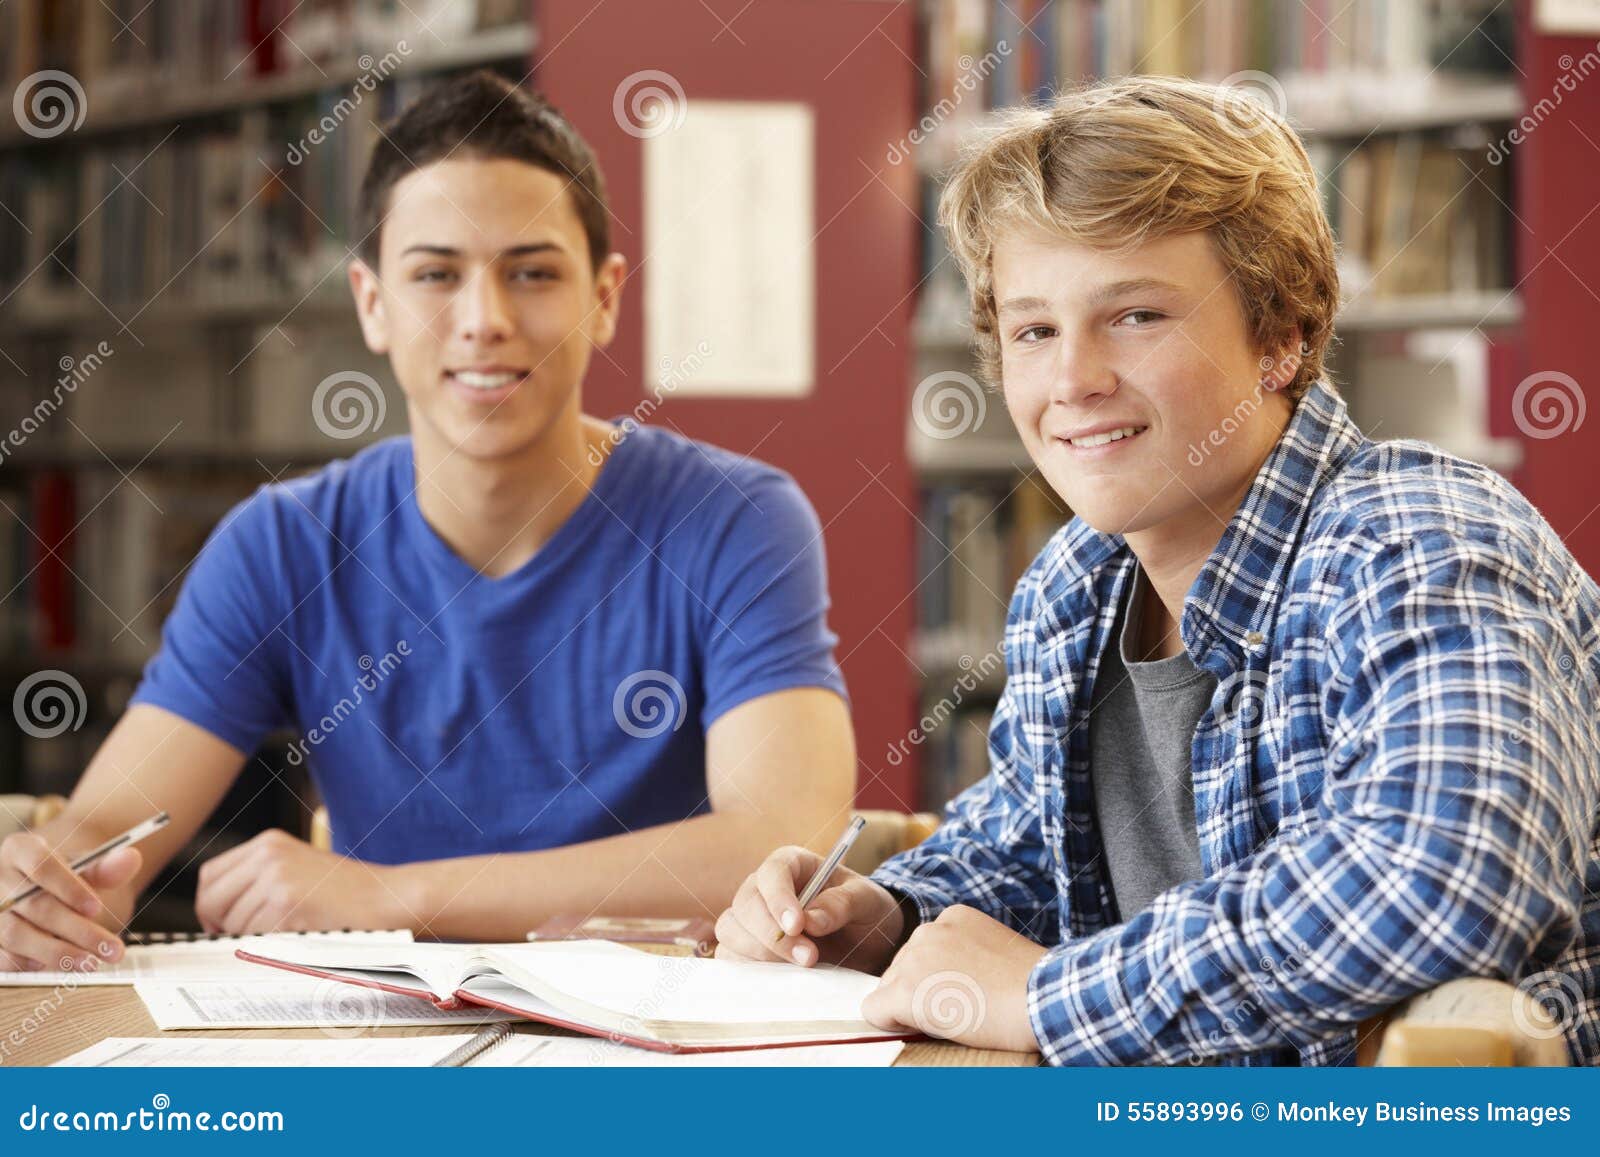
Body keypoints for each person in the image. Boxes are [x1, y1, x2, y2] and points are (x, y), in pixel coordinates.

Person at [715, 76, 1600, 1066]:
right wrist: (888, 915)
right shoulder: (1071, 583)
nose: (1072, 379)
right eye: (1034, 330)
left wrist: (1049, 996)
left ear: (1282, 335)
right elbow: (1025, 851)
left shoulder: (1416, 541)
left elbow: (1446, 879)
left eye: (1135, 315)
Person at [0, 71, 854, 971]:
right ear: (373, 303)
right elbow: (106, 830)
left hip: (658, 1030)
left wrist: (391, 895)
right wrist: (49, 890)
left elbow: (781, 842)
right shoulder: (281, 545)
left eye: (532, 273)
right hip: (382, 1032)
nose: (484, 320)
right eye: (436, 275)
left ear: (604, 298)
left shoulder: (735, 520)